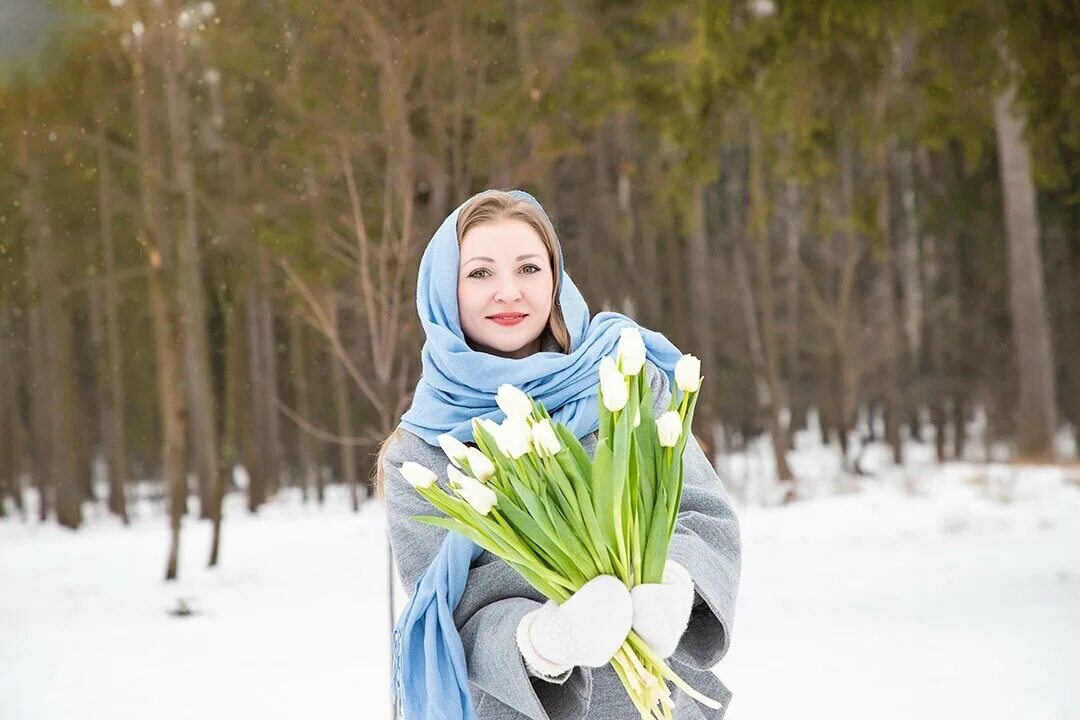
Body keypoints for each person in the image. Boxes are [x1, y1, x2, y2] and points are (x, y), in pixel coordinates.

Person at [375, 189, 741, 719]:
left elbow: (702, 515)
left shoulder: (626, 383)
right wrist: (544, 640)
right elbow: (450, 617)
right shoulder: (421, 452)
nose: (508, 292)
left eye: (528, 268)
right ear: (442, 291)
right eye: (479, 273)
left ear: (555, 280)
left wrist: (676, 582)